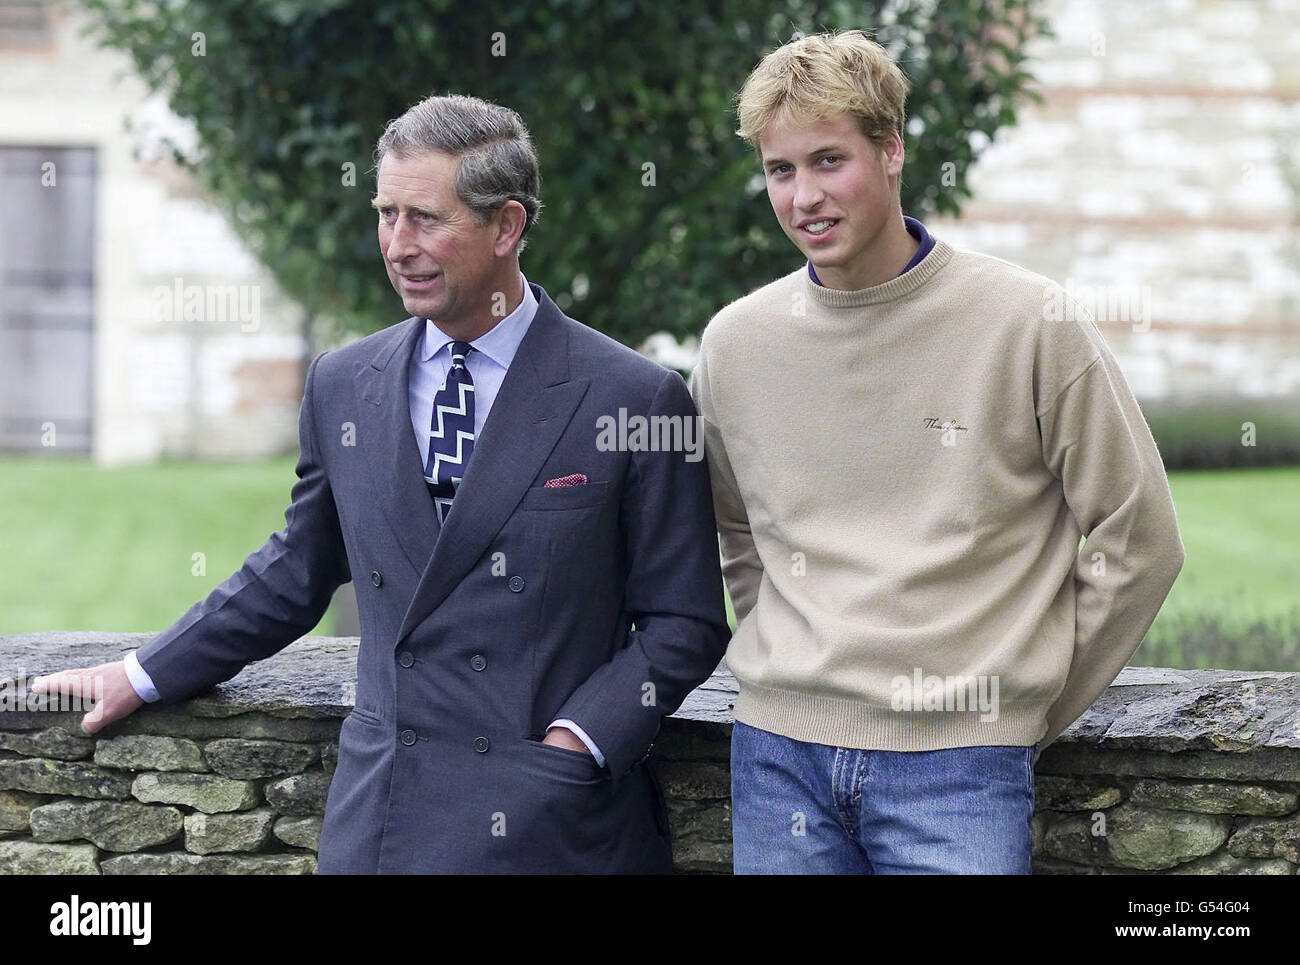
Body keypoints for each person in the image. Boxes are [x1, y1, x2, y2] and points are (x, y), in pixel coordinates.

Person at [34, 94, 730, 874]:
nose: (397, 245)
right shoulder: (343, 383)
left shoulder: (634, 397)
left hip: (555, 828)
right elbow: (296, 569)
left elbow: (685, 622)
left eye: (425, 218)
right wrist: (140, 671)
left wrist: (579, 742)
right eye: (385, 213)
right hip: (383, 825)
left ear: (506, 225)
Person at [689, 31, 1185, 874]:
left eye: (828, 160)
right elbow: (734, 530)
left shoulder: (1030, 322)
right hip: (777, 759)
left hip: (962, 769)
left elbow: (1140, 540)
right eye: (781, 170)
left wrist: (1025, 705)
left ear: (891, 151)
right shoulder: (737, 342)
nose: (803, 195)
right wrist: (787, 652)